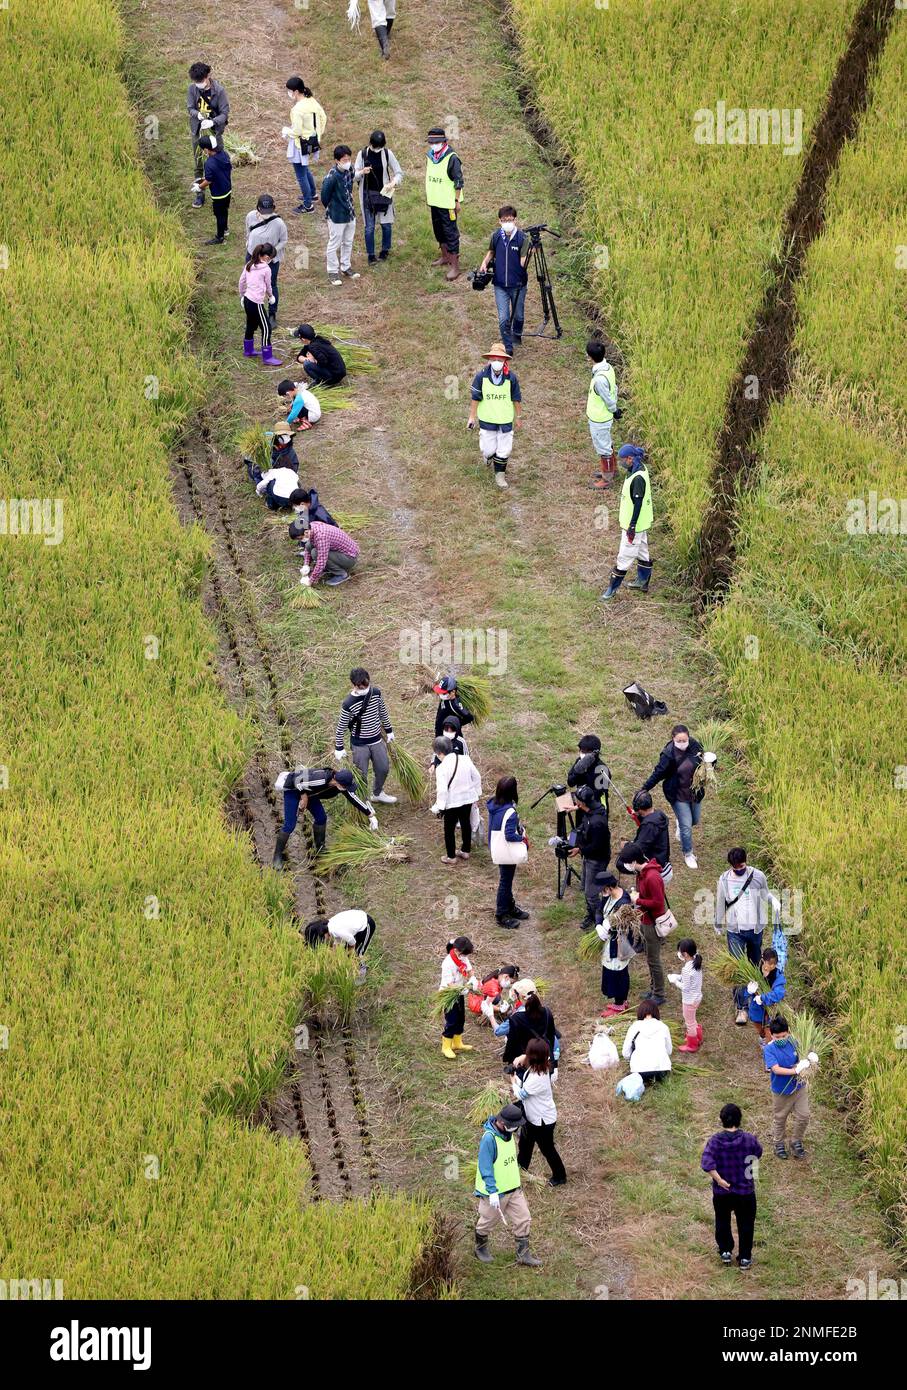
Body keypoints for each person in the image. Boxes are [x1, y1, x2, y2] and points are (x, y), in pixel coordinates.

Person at [474, 1104, 542, 1267]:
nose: (517, 1129)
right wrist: (492, 1192)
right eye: (515, 1126)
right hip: (496, 1193)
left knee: (523, 1218)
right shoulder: (489, 1139)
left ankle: (523, 1254)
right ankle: (480, 1249)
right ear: (504, 1124)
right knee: (487, 1222)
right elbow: (485, 1167)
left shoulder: (508, 1134)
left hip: (514, 1189)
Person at [272, 764, 378, 868]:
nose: (347, 789)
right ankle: (277, 856)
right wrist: (303, 796)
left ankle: (320, 849)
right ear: (339, 784)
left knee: (321, 818)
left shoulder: (339, 784)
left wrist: (370, 815)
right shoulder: (321, 779)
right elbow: (296, 779)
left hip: (309, 792)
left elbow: (353, 798)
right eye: (346, 787)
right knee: (290, 825)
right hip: (293, 790)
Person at [700, 1103, 763, 1269]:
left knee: (722, 1220)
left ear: (722, 1120)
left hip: (722, 1192)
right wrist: (750, 1175)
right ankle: (744, 1258)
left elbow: (707, 1163)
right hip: (745, 1192)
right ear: (739, 1120)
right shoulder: (750, 1139)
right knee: (746, 1224)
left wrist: (719, 1180)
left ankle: (725, 1252)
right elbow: (757, 1154)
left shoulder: (715, 1141)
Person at [715, 847, 772, 1023]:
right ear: (731, 866)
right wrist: (718, 922)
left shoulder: (758, 876)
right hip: (735, 931)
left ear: (746, 862)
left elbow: (765, 894)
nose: (739, 869)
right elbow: (721, 902)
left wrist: (775, 902)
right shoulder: (724, 880)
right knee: (739, 969)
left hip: (755, 929)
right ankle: (742, 1008)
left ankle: (757, 999)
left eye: (741, 866)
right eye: (735, 867)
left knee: (755, 965)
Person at [639, 723, 705, 869]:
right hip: (678, 794)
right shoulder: (668, 755)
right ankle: (688, 853)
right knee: (687, 827)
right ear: (673, 739)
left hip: (695, 792)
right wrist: (644, 789)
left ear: (689, 738)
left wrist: (712, 761)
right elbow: (658, 773)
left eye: (685, 740)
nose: (683, 743)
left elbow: (705, 763)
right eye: (679, 741)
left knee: (695, 820)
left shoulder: (696, 746)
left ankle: (680, 824)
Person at [600, 443, 654, 600]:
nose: (622, 462)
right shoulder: (638, 469)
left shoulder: (637, 479)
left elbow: (638, 503)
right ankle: (643, 581)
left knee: (624, 556)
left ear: (630, 458)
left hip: (635, 525)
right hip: (641, 523)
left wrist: (632, 526)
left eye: (623, 459)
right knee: (643, 551)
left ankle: (611, 589)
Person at [334, 668, 396, 803]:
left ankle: (378, 792)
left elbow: (382, 712)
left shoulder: (376, 693)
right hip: (359, 744)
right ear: (354, 685)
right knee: (361, 775)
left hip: (377, 740)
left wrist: (389, 730)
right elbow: (341, 727)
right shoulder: (348, 704)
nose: (364, 688)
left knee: (383, 768)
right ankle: (363, 800)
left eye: (366, 685)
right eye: (360, 686)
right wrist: (339, 747)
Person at [512, 1038, 567, 1186]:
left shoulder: (539, 1077)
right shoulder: (540, 1066)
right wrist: (521, 1060)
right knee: (525, 1145)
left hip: (543, 1121)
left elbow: (522, 1094)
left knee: (547, 1149)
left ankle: (560, 1176)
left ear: (532, 1057)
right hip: (533, 1117)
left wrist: (512, 1080)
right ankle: (519, 1171)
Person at [477, 205, 530, 354]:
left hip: (518, 285)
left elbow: (522, 264)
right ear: (499, 221)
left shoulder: (522, 239)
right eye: (504, 220)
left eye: (510, 220)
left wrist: (530, 251)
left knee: (518, 314)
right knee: (503, 318)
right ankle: (508, 345)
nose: (507, 222)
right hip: (500, 285)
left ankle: (517, 334)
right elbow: (491, 252)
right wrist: (484, 262)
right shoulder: (496, 236)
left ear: (515, 220)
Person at [468, 343, 522, 489]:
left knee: (504, 450)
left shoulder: (511, 378)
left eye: (500, 359)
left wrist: (518, 417)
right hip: (487, 420)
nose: (497, 362)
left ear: (505, 360)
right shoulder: (481, 376)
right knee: (488, 450)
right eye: (494, 359)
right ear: (490, 359)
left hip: (505, 420)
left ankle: (500, 476)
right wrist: (472, 417)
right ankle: (488, 458)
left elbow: (516, 398)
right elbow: (475, 398)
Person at [621, 840, 666, 1004]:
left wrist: (638, 900)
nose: (626, 865)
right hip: (645, 919)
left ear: (634, 861)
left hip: (653, 923)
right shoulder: (642, 874)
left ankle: (659, 994)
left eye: (627, 862)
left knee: (654, 960)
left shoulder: (652, 877)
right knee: (649, 957)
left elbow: (658, 903)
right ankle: (654, 989)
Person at [763, 1016, 812, 1160]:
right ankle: (778, 1143)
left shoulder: (794, 1042)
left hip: (799, 1087)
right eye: (777, 1037)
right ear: (771, 1035)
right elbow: (776, 1069)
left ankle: (796, 1141)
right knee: (780, 1117)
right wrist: (795, 1071)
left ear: (788, 1033)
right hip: (781, 1090)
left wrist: (808, 1061)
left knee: (804, 1115)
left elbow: (804, 1056)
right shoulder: (769, 1049)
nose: (781, 1039)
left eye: (784, 1036)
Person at [487, 775, 530, 929]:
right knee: (505, 882)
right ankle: (502, 914)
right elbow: (510, 835)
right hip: (506, 851)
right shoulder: (509, 811)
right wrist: (523, 838)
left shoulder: (493, 804)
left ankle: (509, 907)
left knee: (506, 880)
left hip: (496, 847)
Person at [430, 736, 482, 864]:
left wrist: (439, 807)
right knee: (466, 824)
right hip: (468, 799)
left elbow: (442, 791)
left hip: (451, 803)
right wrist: (476, 793)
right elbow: (477, 776)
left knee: (449, 829)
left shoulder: (441, 768)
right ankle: (465, 851)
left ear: (440, 753)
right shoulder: (465, 759)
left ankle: (451, 857)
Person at [354, 130, 403, 265]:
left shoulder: (388, 153)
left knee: (386, 225)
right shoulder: (362, 154)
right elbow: (354, 175)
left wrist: (394, 182)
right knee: (369, 227)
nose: (377, 149)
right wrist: (362, 172)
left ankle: (385, 249)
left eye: (379, 147)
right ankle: (371, 255)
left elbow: (398, 172)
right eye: (375, 146)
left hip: (384, 194)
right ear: (370, 143)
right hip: (367, 195)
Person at [187, 62, 229, 209]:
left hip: (214, 132)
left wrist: (212, 122)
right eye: (195, 82)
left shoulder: (219, 91)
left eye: (200, 81)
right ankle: (200, 194)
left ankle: (222, 190)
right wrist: (196, 114)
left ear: (207, 77)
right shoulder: (192, 89)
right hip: (198, 132)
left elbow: (224, 114)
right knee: (198, 162)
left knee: (217, 160)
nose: (198, 84)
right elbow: (190, 107)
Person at [283, 77, 326, 215]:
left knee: (301, 174)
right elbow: (323, 117)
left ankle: (308, 205)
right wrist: (317, 134)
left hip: (300, 143)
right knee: (305, 168)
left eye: (289, 91)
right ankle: (312, 194)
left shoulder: (297, 109)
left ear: (295, 91)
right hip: (312, 141)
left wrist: (286, 131)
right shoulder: (311, 101)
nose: (289, 93)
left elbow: (296, 131)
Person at [570, 785, 611, 931]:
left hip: (596, 859)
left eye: (577, 799)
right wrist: (574, 836)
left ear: (582, 803)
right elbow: (584, 826)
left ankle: (600, 919)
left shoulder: (597, 822)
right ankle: (591, 913)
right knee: (584, 887)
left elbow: (596, 846)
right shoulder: (591, 811)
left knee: (591, 893)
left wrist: (579, 849)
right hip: (589, 856)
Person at [425, 127, 464, 280]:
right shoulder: (430, 155)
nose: (433, 145)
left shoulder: (452, 158)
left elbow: (459, 181)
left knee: (450, 233)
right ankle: (445, 256)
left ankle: (455, 266)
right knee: (438, 230)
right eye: (431, 142)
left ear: (444, 141)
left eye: (436, 142)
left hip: (448, 204)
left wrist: (456, 201)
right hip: (435, 201)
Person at [321, 146, 360, 287]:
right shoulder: (331, 177)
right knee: (334, 244)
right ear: (337, 161)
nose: (348, 162)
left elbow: (351, 184)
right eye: (344, 160)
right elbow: (324, 197)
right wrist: (333, 209)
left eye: (349, 159)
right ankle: (332, 271)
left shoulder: (350, 170)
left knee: (348, 242)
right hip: (336, 217)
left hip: (350, 213)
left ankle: (345, 267)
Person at [245, 196, 288, 322]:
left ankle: (272, 314)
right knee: (251, 285)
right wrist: (248, 244)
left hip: (271, 261)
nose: (266, 213)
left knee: (271, 285)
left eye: (269, 210)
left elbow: (284, 240)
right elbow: (248, 232)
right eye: (263, 210)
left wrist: (272, 253)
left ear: (273, 208)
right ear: (258, 208)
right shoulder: (250, 216)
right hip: (252, 257)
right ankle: (252, 313)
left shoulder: (279, 223)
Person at [304, 909, 376, 980]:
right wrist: (334, 958)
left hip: (366, 923)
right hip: (356, 921)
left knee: (359, 953)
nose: (324, 942)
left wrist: (350, 952)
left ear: (322, 934)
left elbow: (352, 942)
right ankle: (352, 972)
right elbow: (337, 942)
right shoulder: (329, 926)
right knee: (348, 953)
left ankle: (361, 978)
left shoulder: (335, 930)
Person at [238, 244, 281, 364]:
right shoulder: (266, 269)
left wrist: (242, 296)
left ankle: (248, 350)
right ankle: (267, 357)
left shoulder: (249, 264)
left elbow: (241, 282)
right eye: (271, 258)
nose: (271, 260)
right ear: (266, 257)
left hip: (247, 299)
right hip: (256, 302)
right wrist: (271, 296)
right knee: (266, 328)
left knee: (250, 324)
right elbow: (268, 285)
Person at [616, 791, 671, 884]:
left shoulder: (649, 826)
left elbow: (639, 849)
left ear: (639, 809)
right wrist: (639, 817)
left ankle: (643, 882)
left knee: (620, 863)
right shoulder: (659, 814)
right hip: (662, 859)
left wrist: (626, 846)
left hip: (656, 867)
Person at [501, 982, 558, 1071]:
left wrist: (509, 1059)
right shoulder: (547, 1012)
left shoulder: (516, 1018)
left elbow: (512, 1043)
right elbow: (551, 1037)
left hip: (527, 1063)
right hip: (545, 1061)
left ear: (521, 997)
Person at [586, 339, 618, 490]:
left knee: (603, 447)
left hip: (600, 418)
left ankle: (607, 478)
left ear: (590, 357)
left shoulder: (599, 380)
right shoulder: (608, 368)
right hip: (605, 417)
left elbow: (608, 399)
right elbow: (615, 388)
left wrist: (614, 409)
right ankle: (613, 470)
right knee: (607, 443)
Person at [439, 936, 478, 1060]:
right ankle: (446, 1046)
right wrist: (465, 989)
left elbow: (470, 970)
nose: (464, 957)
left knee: (461, 1018)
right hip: (449, 994)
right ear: (456, 950)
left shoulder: (463, 957)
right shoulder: (447, 964)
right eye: (463, 954)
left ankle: (457, 1043)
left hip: (459, 993)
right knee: (452, 1019)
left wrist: (473, 979)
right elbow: (451, 984)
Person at [597, 892, 635, 1017]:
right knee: (615, 974)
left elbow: (625, 927)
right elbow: (598, 910)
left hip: (618, 946)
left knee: (618, 974)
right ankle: (621, 1002)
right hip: (610, 945)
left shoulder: (623, 902)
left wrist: (611, 927)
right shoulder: (607, 896)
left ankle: (619, 1005)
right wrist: (599, 924)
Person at [246, 426, 299, 510]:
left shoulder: (290, 452)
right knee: (256, 470)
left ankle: (272, 501)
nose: (286, 439)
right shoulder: (266, 445)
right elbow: (249, 458)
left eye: (287, 436)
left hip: (280, 478)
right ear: (277, 437)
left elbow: (294, 470)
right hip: (268, 474)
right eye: (283, 436)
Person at [622, 999, 672, 1086]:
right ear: (656, 1012)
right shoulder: (663, 1027)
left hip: (639, 1072)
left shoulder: (635, 1026)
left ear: (640, 1012)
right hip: (662, 1071)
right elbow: (669, 1051)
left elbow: (625, 1053)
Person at [298, 518, 360, 587]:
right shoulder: (312, 527)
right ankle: (329, 567)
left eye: (300, 538)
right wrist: (306, 565)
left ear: (306, 532)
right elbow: (308, 546)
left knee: (315, 553)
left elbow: (321, 562)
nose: (301, 540)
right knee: (309, 545)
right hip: (341, 552)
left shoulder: (321, 536)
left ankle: (341, 574)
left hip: (349, 558)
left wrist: (310, 581)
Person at [668, 938, 704, 1053]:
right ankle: (698, 1036)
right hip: (697, 997)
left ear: (685, 954)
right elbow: (690, 980)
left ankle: (692, 1044)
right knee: (692, 1018)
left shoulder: (686, 969)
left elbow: (685, 987)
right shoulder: (696, 962)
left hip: (689, 1000)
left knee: (690, 1022)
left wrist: (675, 981)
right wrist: (678, 976)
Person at [567, 733, 611, 822]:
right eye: (580, 750)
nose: (581, 753)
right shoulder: (580, 762)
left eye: (584, 751)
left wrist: (580, 805)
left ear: (594, 753)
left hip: (596, 809)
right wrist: (578, 771)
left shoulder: (602, 770)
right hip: (580, 806)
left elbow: (597, 794)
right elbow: (570, 782)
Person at [196, 137, 232, 246]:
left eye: (203, 149)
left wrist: (199, 187)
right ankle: (225, 229)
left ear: (207, 149)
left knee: (219, 214)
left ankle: (219, 237)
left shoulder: (209, 163)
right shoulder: (224, 154)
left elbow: (209, 180)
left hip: (218, 194)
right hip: (227, 189)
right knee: (225, 210)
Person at [746, 948, 786, 1041]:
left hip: (771, 1010)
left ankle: (768, 1047)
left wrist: (763, 998)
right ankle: (762, 1036)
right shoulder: (755, 971)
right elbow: (746, 993)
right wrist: (749, 991)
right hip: (756, 1008)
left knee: (769, 1032)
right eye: (770, 963)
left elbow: (778, 994)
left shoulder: (778, 976)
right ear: (763, 960)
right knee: (759, 1028)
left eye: (774, 964)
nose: (772, 966)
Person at [432, 673, 475, 739]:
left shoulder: (455, 706)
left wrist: (455, 724)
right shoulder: (446, 697)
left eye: (443, 693)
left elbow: (469, 717)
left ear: (453, 692)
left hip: (450, 736)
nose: (440, 694)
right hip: (439, 732)